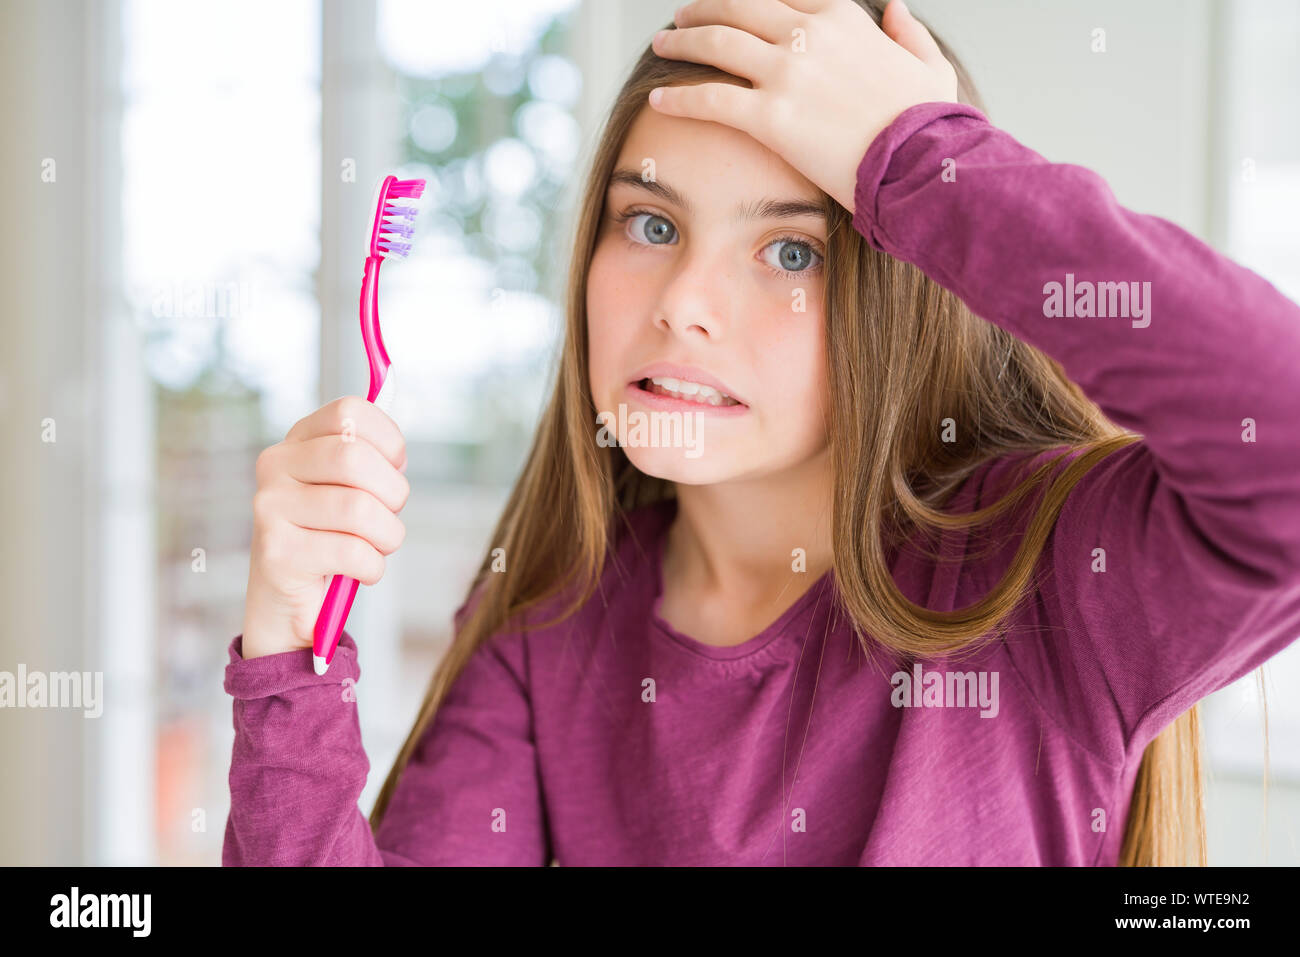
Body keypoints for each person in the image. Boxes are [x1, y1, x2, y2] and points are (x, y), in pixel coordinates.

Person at [224, 0, 1300, 865]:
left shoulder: (1051, 573)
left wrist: (923, 161)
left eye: (792, 251)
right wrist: (285, 658)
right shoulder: (549, 623)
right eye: (650, 224)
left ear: (905, 276)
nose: (682, 301)